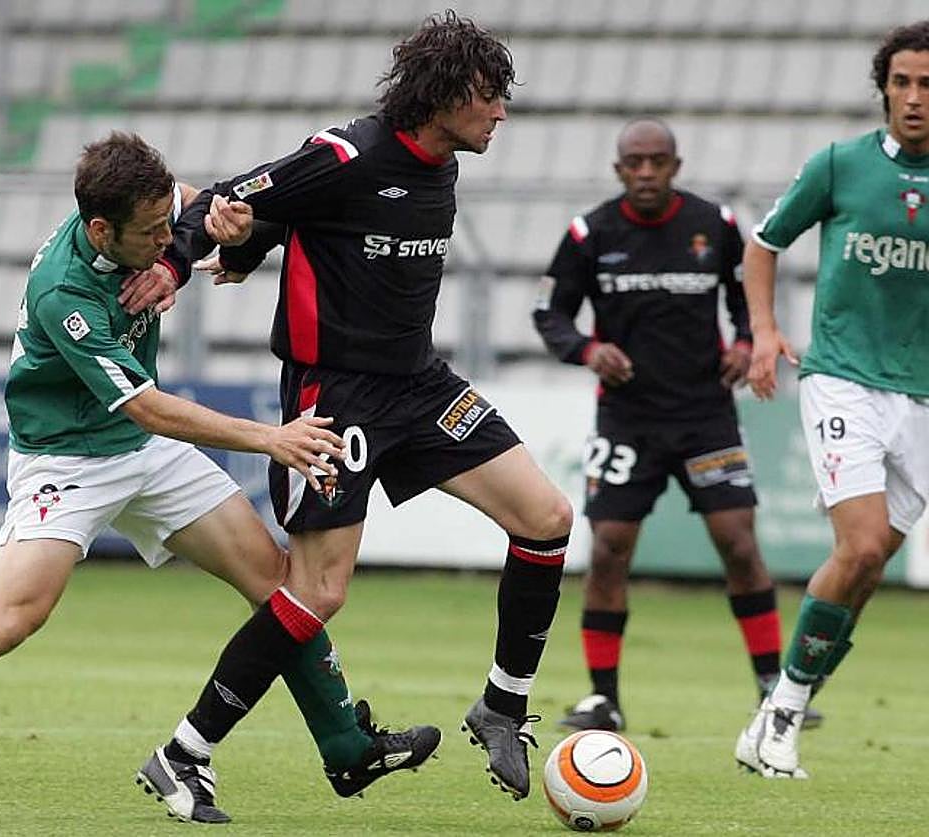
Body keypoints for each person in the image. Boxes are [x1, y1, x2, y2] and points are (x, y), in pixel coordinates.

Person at [0, 131, 437, 824]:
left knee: (280, 583)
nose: (165, 239)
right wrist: (270, 439)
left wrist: (230, 236)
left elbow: (205, 207)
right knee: (9, 617)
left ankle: (346, 747)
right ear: (101, 230)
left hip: (142, 451)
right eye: (152, 233)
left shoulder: (143, 211)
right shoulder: (64, 291)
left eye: (165, 224)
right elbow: (147, 406)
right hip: (67, 459)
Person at [126, 11, 573, 814]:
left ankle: (502, 705)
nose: (501, 112)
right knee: (318, 590)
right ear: (444, 96)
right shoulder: (348, 153)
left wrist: (256, 243)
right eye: (489, 96)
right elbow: (234, 199)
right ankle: (183, 752)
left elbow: (299, 222)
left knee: (546, 518)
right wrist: (183, 261)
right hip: (336, 398)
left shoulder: (442, 162)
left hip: (421, 386)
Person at [533, 118, 818, 733]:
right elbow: (549, 314)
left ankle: (773, 689)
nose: (645, 173)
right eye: (634, 163)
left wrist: (744, 343)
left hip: (705, 416)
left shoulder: (714, 225)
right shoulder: (590, 233)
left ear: (675, 166)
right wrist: (588, 351)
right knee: (609, 549)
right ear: (618, 170)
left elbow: (747, 300)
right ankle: (603, 698)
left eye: (656, 161)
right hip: (627, 418)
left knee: (739, 543)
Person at [734, 22, 929, 779]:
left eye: (927, 84)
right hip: (843, 377)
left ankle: (778, 709)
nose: (914, 98)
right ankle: (783, 713)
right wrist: (763, 330)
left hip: (921, 396)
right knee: (863, 545)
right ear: (884, 88)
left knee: (868, 569)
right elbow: (763, 243)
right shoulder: (841, 165)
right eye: (902, 82)